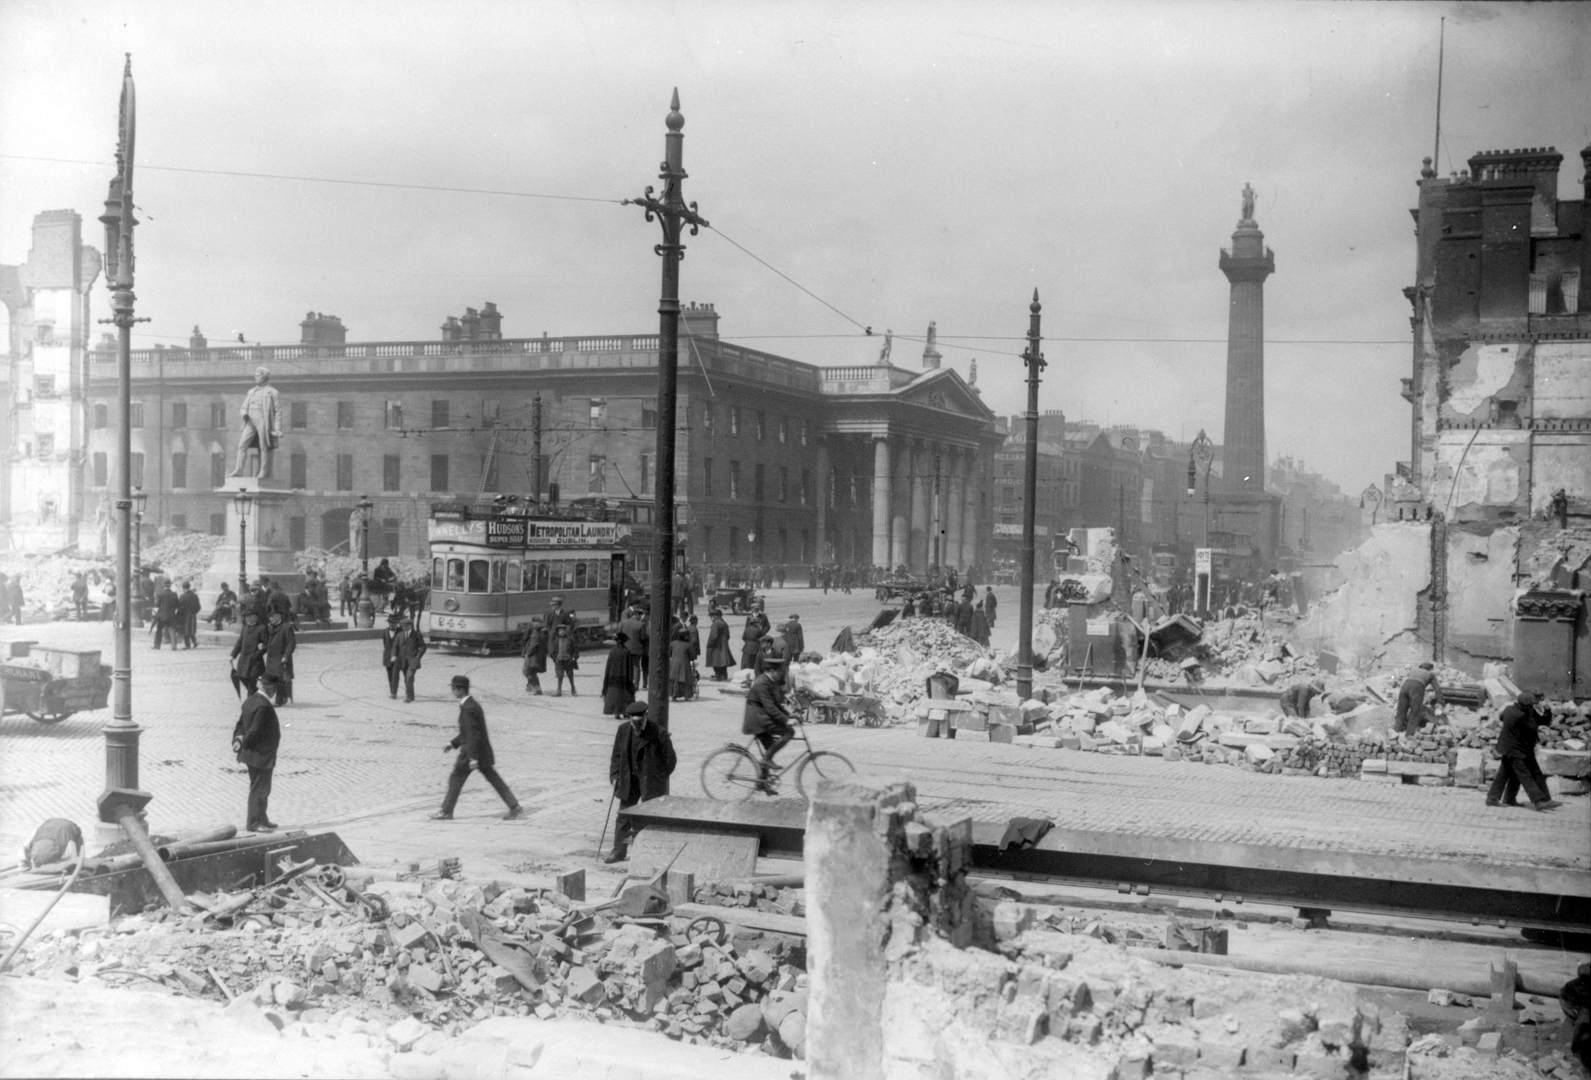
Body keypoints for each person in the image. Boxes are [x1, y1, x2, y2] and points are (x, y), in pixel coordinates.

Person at [431, 675, 522, 821]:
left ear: (461, 689)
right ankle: (514, 806)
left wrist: (473, 758)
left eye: (454, 688)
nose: (452, 691)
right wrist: (453, 743)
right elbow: (468, 732)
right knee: (494, 779)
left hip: (471, 754)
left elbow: (473, 735)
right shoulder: (471, 705)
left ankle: (446, 811)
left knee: (456, 778)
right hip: (482, 752)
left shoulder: (468, 708)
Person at [605, 701, 678, 863]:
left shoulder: (659, 733)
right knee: (624, 815)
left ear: (646, 717)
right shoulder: (623, 730)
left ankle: (647, 852)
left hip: (649, 781)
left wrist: (658, 777)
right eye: (634, 722)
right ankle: (619, 851)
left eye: (640, 722)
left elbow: (670, 760)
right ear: (630, 719)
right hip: (628, 779)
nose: (637, 726)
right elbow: (616, 756)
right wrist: (615, 775)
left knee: (648, 817)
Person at [1485, 691, 1562, 812]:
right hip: (1515, 749)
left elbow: (1541, 721)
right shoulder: (1519, 714)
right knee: (1525, 775)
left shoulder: (1517, 710)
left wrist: (1547, 711)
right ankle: (1538, 801)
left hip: (1521, 748)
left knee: (1508, 774)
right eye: (1531, 704)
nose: (1532, 706)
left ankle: (1499, 798)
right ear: (1524, 704)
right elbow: (1532, 726)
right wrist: (1538, 728)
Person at [232, 672, 283, 832]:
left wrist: (238, 740)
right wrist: (244, 743)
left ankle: (263, 818)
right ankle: (254, 823)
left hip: (253, 755)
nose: (275, 692)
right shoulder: (263, 706)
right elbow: (254, 732)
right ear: (271, 689)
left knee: (263, 788)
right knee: (259, 789)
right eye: (274, 689)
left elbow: (240, 725)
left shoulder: (250, 701)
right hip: (260, 755)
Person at [742, 663, 795, 792]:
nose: (781, 675)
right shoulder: (763, 683)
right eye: (779, 672)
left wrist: (791, 715)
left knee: (770, 748)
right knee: (788, 732)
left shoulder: (769, 682)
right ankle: (766, 761)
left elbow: (777, 705)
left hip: (760, 717)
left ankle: (761, 783)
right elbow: (770, 707)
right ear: (772, 671)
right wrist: (786, 720)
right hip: (757, 719)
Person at [230, 365, 283, 480]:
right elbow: (243, 407)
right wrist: (244, 414)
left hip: (263, 420)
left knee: (264, 447)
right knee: (242, 445)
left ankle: (263, 472)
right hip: (250, 421)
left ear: (264, 377)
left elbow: (278, 411)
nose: (256, 377)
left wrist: (277, 429)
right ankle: (238, 470)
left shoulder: (273, 392)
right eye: (256, 375)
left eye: (258, 375)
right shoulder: (251, 392)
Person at [1393, 661, 1442, 734]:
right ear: (1430, 669)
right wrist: (1440, 703)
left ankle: (1396, 732)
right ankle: (1409, 735)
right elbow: (1437, 689)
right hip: (1417, 688)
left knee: (1401, 711)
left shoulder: (1413, 671)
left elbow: (1409, 681)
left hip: (1404, 687)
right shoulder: (1431, 674)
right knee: (1415, 712)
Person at [230, 610, 268, 697]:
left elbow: (266, 645)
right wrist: (233, 655)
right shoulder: (245, 627)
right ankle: (256, 693)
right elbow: (240, 642)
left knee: (252, 680)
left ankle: (250, 701)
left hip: (255, 661)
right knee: (242, 677)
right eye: (246, 617)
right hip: (243, 659)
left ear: (255, 617)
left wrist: (258, 653)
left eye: (249, 616)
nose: (247, 618)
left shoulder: (261, 628)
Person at [263, 609, 296, 705]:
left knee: (284, 678)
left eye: (272, 616)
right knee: (273, 678)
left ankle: (285, 698)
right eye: (269, 617)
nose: (270, 619)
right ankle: (279, 698)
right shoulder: (269, 627)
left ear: (279, 616)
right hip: (271, 658)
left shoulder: (286, 627)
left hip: (282, 657)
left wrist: (286, 655)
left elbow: (291, 643)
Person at [391, 614, 426, 702]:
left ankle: (409, 697)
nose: (403, 628)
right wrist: (393, 655)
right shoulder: (399, 635)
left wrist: (418, 657)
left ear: (410, 626)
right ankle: (393, 693)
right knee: (395, 676)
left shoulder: (417, 635)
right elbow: (395, 646)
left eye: (404, 626)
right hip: (400, 660)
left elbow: (423, 647)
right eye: (402, 626)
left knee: (409, 678)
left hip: (412, 660)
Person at [601, 632, 636, 716]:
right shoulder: (626, 652)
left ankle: (616, 712)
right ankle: (625, 711)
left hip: (612, 678)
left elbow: (608, 667)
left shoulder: (612, 651)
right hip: (624, 678)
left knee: (614, 695)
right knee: (625, 695)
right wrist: (631, 680)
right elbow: (629, 668)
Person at [704, 607, 733, 681]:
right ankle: (724, 675)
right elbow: (728, 635)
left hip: (716, 647)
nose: (711, 618)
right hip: (723, 646)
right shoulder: (724, 623)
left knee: (716, 662)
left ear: (715, 616)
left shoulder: (715, 624)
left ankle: (718, 676)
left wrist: (710, 644)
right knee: (723, 662)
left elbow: (713, 636)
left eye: (711, 616)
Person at [521, 617, 548, 695]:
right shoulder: (540, 631)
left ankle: (536, 688)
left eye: (532, 622)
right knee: (532, 672)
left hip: (533, 656)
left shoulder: (535, 633)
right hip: (539, 656)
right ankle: (532, 687)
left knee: (527, 671)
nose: (530, 624)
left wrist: (528, 653)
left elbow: (534, 644)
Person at [551, 623, 578, 696]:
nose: (561, 631)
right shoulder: (556, 640)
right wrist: (554, 658)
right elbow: (552, 650)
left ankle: (573, 689)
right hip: (559, 660)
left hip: (568, 660)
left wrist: (574, 657)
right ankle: (559, 691)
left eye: (563, 630)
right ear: (558, 631)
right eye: (560, 630)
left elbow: (575, 649)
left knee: (570, 676)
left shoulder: (570, 639)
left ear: (565, 631)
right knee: (560, 676)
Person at [151, 580, 180, 649]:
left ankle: (157, 645)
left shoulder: (160, 594)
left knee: (159, 630)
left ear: (164, 585)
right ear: (170, 585)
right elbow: (178, 605)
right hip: (171, 615)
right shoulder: (174, 594)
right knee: (172, 630)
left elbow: (157, 605)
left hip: (161, 616)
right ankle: (174, 645)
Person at [669, 627, 694, 701]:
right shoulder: (688, 645)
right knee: (685, 679)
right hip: (684, 665)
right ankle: (686, 695)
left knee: (675, 680)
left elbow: (669, 653)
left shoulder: (673, 643)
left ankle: (674, 695)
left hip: (674, 664)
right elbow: (692, 656)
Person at [177, 581, 202, 649]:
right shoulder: (194, 595)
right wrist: (194, 612)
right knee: (191, 630)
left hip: (185, 616)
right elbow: (199, 607)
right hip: (193, 615)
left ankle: (187, 645)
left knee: (186, 630)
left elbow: (180, 607)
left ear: (183, 588)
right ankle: (195, 642)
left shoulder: (183, 596)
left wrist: (179, 615)